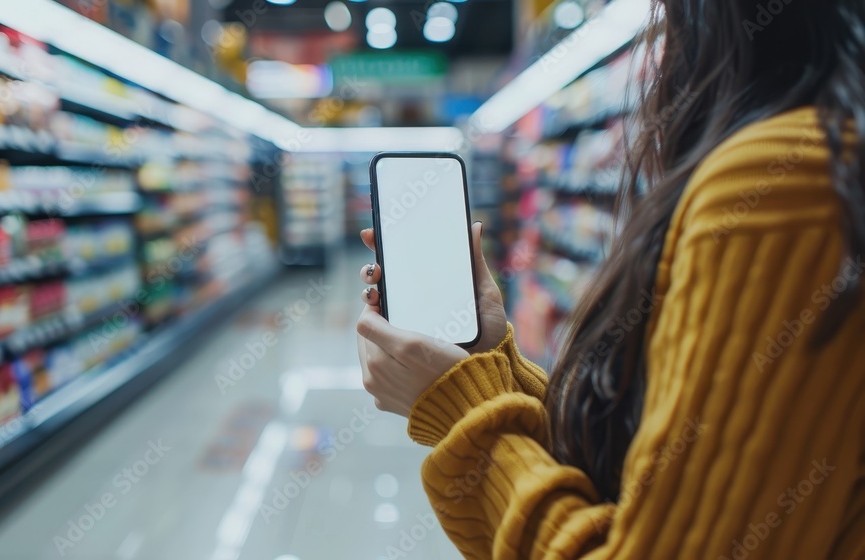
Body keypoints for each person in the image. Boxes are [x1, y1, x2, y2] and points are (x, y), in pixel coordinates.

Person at [355, 0, 865, 558]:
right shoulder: (820, 152)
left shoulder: (784, 183)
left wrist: (459, 407)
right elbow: (645, 471)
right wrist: (490, 366)